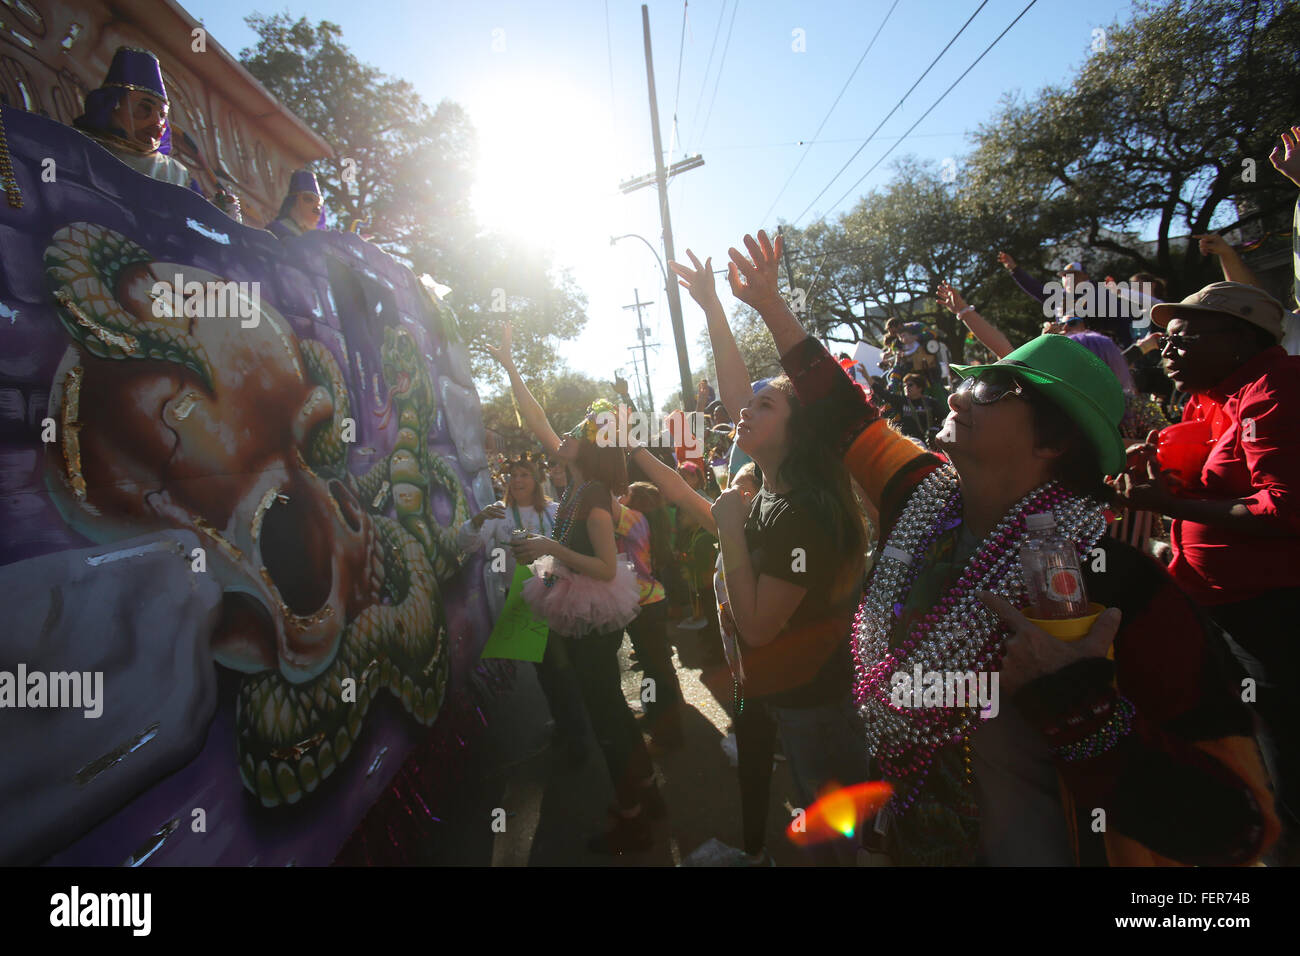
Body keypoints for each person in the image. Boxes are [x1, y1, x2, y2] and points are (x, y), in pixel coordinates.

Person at [739, 229, 1277, 866]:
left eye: (993, 389)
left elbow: (1240, 827)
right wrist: (771, 307)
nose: (960, 391)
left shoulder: (1114, 583)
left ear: (1053, 442)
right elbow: (843, 416)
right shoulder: (919, 495)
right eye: (969, 381)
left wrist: (1081, 704)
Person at [655, 244, 871, 867]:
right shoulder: (770, 482)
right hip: (782, 688)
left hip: (816, 702)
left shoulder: (800, 511)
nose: (740, 413)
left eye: (763, 407)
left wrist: (727, 531)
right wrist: (713, 308)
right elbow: (733, 391)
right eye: (744, 408)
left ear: (795, 431)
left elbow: (756, 624)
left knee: (830, 836)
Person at [1115, 281, 1300, 863]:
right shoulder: (1211, 396)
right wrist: (1160, 474)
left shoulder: (1278, 387)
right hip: (1215, 605)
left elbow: (1284, 507)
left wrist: (1169, 506)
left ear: (1242, 338)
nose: (1166, 350)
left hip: (1271, 611)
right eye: (1164, 339)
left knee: (1284, 751)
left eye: (1182, 337)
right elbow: (1210, 481)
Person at [486, 324, 662, 853]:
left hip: (592, 603)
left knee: (605, 709)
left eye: (575, 434)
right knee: (606, 703)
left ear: (589, 449)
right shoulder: (583, 484)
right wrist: (511, 364)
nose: (559, 437)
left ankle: (630, 816)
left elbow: (607, 568)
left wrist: (549, 546)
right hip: (581, 603)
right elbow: (537, 420)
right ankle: (645, 788)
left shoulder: (591, 497)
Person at [71, 47, 200, 192]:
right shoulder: (74, 148)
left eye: (162, 115)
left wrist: (222, 207)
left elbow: (199, 212)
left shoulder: (177, 176)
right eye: (144, 108)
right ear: (113, 106)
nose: (158, 123)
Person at [615, 482, 684, 752]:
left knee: (656, 671)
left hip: (645, 605)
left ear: (637, 501)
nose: (621, 494)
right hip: (651, 601)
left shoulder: (633, 519)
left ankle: (668, 734)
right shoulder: (650, 521)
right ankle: (655, 717)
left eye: (626, 492)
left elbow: (609, 507)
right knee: (655, 667)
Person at [456, 452, 558, 617]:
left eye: (524, 475)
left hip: (553, 594)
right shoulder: (499, 510)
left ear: (536, 480)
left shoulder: (553, 510)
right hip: (515, 596)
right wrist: (477, 520)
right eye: (514, 476)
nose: (517, 480)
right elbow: (467, 545)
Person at [267, 169, 326, 239]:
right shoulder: (276, 229)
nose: (317, 208)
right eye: (309, 199)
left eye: (319, 204)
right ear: (293, 203)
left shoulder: (318, 240)